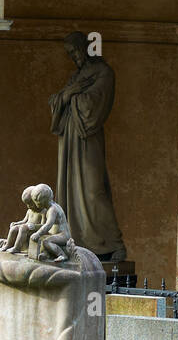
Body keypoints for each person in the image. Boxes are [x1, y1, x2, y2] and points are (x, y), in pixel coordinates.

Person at [48, 32, 127, 262]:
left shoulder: (103, 72)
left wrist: (70, 97)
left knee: (94, 191)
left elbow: (95, 105)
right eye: (70, 54)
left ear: (87, 48)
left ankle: (112, 243)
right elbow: (55, 101)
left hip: (88, 138)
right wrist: (68, 94)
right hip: (70, 141)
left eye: (76, 51)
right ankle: (75, 241)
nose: (74, 57)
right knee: (69, 189)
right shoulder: (77, 77)